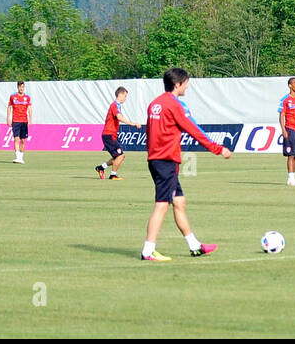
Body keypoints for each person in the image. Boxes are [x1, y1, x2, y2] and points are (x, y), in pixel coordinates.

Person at [140, 67, 232, 261]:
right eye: (186, 83)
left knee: (179, 202)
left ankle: (195, 246)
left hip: (156, 159)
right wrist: (218, 149)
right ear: (177, 84)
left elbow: (149, 133)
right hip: (166, 161)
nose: (188, 87)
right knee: (161, 205)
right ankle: (148, 250)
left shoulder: (154, 104)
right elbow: (194, 130)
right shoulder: (175, 105)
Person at [97, 86, 139, 180]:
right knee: (121, 155)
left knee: (118, 157)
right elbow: (119, 117)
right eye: (125, 96)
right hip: (109, 134)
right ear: (120, 95)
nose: (125, 98)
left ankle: (101, 168)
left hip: (111, 135)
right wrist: (132, 123)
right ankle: (113, 175)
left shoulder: (117, 105)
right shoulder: (115, 105)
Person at [7, 81, 32, 164]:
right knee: (16, 139)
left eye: (23, 87)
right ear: (18, 87)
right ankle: (17, 157)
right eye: (20, 87)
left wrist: (30, 118)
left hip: (24, 120)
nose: (21, 89)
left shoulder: (27, 97)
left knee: (23, 140)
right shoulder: (13, 96)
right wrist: (8, 118)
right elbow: (9, 107)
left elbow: (29, 108)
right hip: (16, 120)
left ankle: (21, 157)